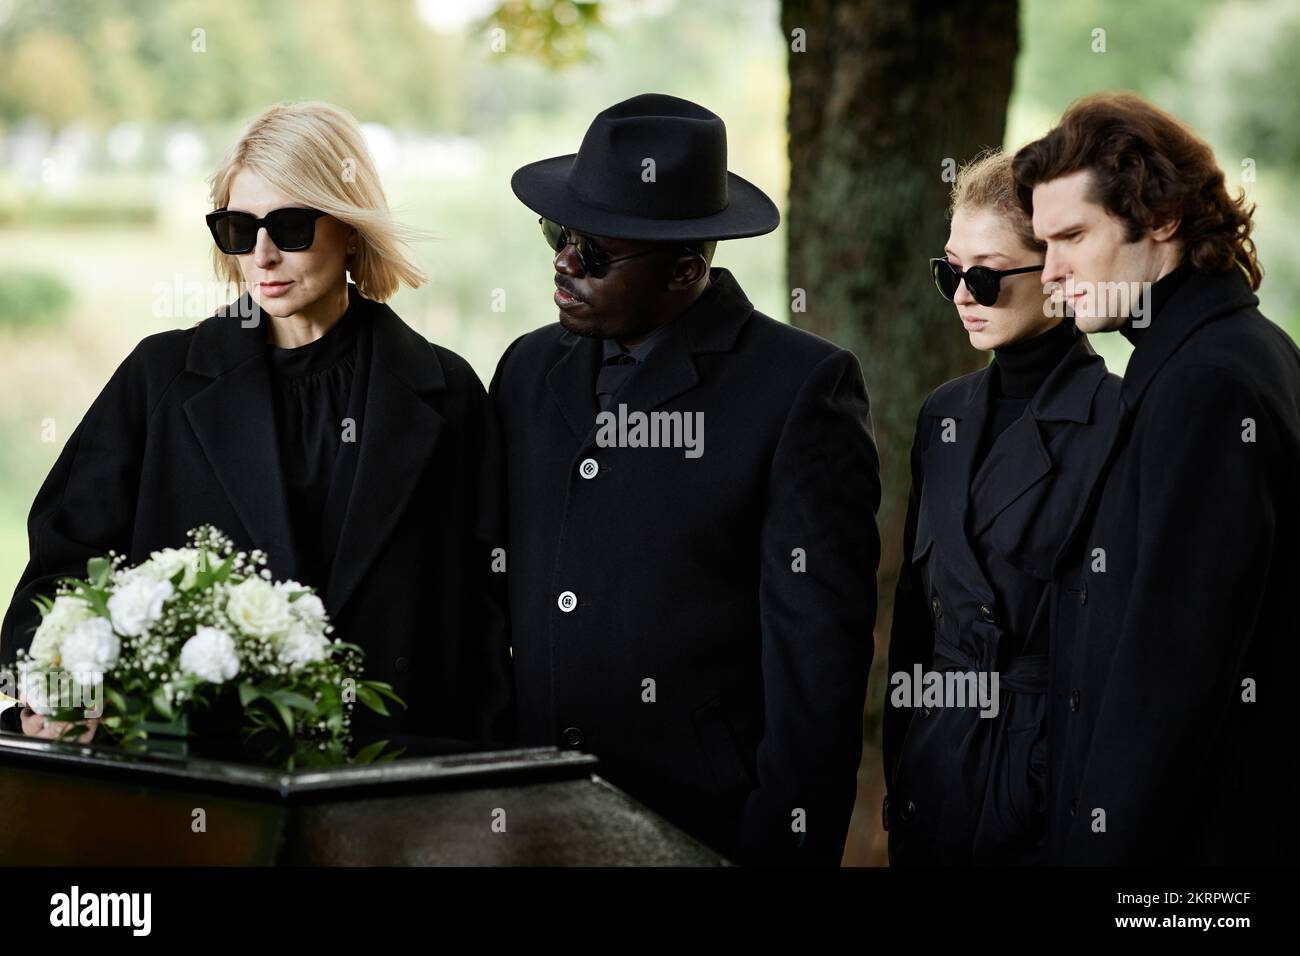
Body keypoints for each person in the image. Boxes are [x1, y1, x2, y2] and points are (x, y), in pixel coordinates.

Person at [0, 102, 514, 747]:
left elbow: (487, 611)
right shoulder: (160, 377)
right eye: (238, 229)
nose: (263, 255)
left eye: (292, 226)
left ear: (351, 228)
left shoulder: (447, 393)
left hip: (396, 779)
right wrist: (59, 699)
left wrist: (490, 786)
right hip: (201, 777)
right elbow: (64, 570)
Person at [492, 93, 881, 866]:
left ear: (686, 269)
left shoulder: (801, 389)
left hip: (704, 832)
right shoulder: (525, 368)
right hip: (528, 822)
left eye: (595, 253)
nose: (564, 262)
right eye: (558, 235)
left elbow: (818, 670)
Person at [1013, 91, 1300, 864]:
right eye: (1044, 244)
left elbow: (1176, 672)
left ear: (1162, 217)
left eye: (1073, 236)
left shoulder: (1211, 381)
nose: (1054, 271)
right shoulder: (1201, 360)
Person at [883, 150, 1121, 865]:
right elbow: (914, 620)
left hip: (1045, 786)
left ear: (1054, 271)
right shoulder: (943, 415)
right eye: (948, 271)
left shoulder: (1118, 421)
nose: (961, 294)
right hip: (934, 768)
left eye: (984, 275)